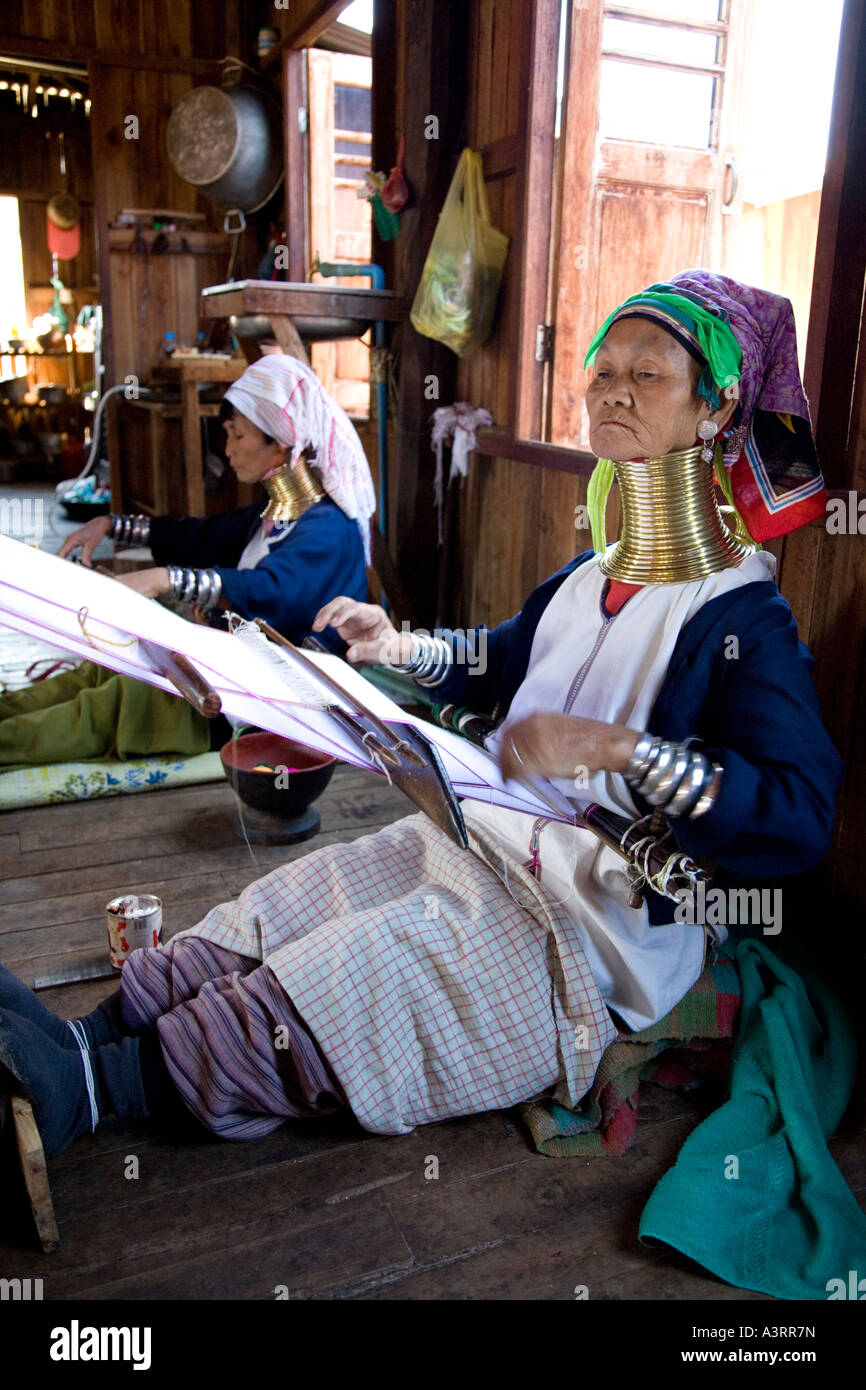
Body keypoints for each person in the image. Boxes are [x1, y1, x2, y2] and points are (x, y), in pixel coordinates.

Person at [0, 271, 842, 1159]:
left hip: (597, 926)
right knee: (287, 902)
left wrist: (622, 751)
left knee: (357, 973)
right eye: (603, 373)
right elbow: (498, 658)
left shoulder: (740, 614)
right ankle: (82, 1040)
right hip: (486, 837)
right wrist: (396, 646)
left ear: (715, 412)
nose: (614, 392)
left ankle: (92, 1091)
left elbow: (798, 810)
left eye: (649, 375)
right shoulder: (586, 577)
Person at [0, 355, 375, 766]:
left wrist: (165, 579)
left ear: (281, 441)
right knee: (104, 670)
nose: (228, 449)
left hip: (266, 710)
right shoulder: (275, 518)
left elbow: (273, 591)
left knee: (113, 704)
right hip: (227, 672)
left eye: (236, 435)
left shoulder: (329, 532)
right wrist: (110, 525)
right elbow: (199, 535)